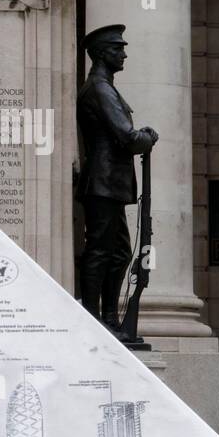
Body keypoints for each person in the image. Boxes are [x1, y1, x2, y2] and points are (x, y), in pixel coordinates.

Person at [76, 23, 158, 339]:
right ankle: (92, 319)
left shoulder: (105, 87)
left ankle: (109, 319)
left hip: (110, 184)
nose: (123, 54)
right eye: (117, 48)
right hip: (103, 182)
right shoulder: (99, 88)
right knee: (100, 250)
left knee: (119, 252)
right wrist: (147, 136)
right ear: (101, 53)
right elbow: (127, 136)